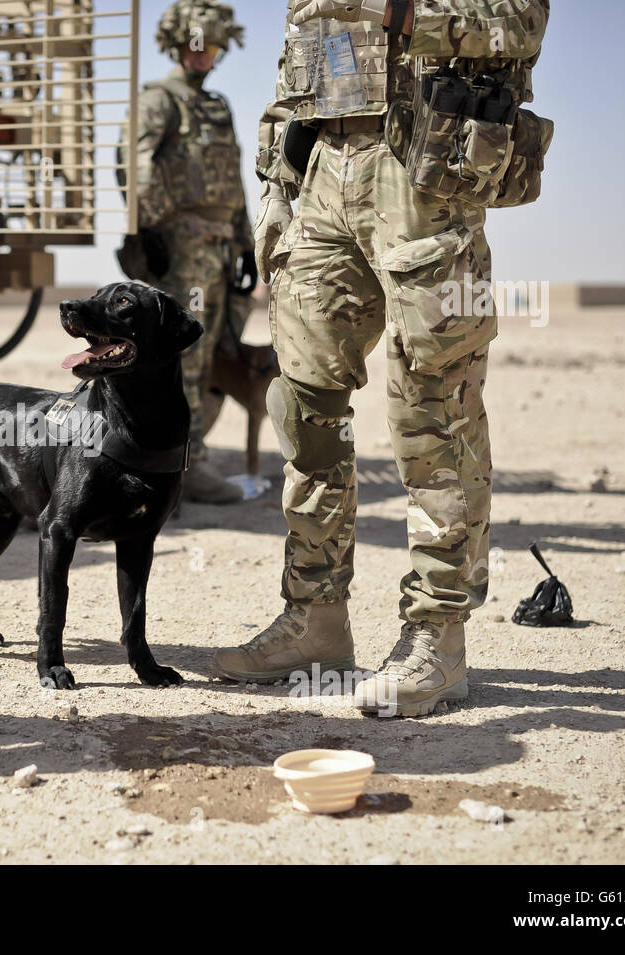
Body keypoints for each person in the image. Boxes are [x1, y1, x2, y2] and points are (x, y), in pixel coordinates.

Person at [213, 0, 550, 716]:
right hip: (321, 171)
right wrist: (275, 187)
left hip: (424, 167)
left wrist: (405, 14)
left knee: (433, 407)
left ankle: (437, 638)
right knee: (305, 405)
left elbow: (520, 18)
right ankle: (317, 620)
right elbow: (298, 63)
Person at [131, 0, 255, 504]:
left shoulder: (218, 105)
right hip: (182, 249)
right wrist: (151, 226)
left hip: (220, 247)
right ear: (178, 45)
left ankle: (183, 460)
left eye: (212, 48)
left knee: (210, 355)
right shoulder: (160, 100)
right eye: (195, 46)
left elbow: (233, 178)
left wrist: (246, 242)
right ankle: (180, 465)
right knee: (185, 357)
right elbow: (136, 164)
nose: (203, 57)